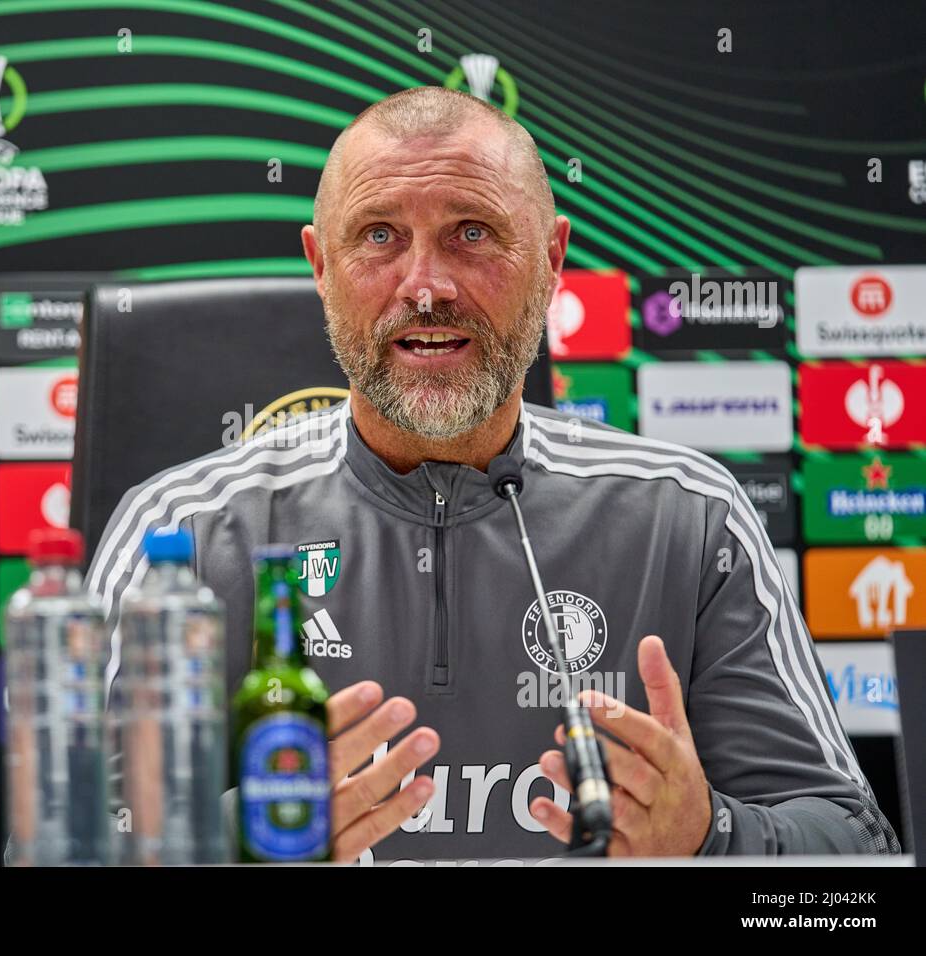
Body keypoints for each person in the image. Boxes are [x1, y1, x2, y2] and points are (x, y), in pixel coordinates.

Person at [87, 86, 898, 862]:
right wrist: (240, 841)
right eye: (377, 236)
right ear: (320, 267)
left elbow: (855, 854)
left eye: (472, 232)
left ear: (551, 260)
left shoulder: (689, 519)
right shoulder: (182, 535)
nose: (427, 286)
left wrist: (710, 836)